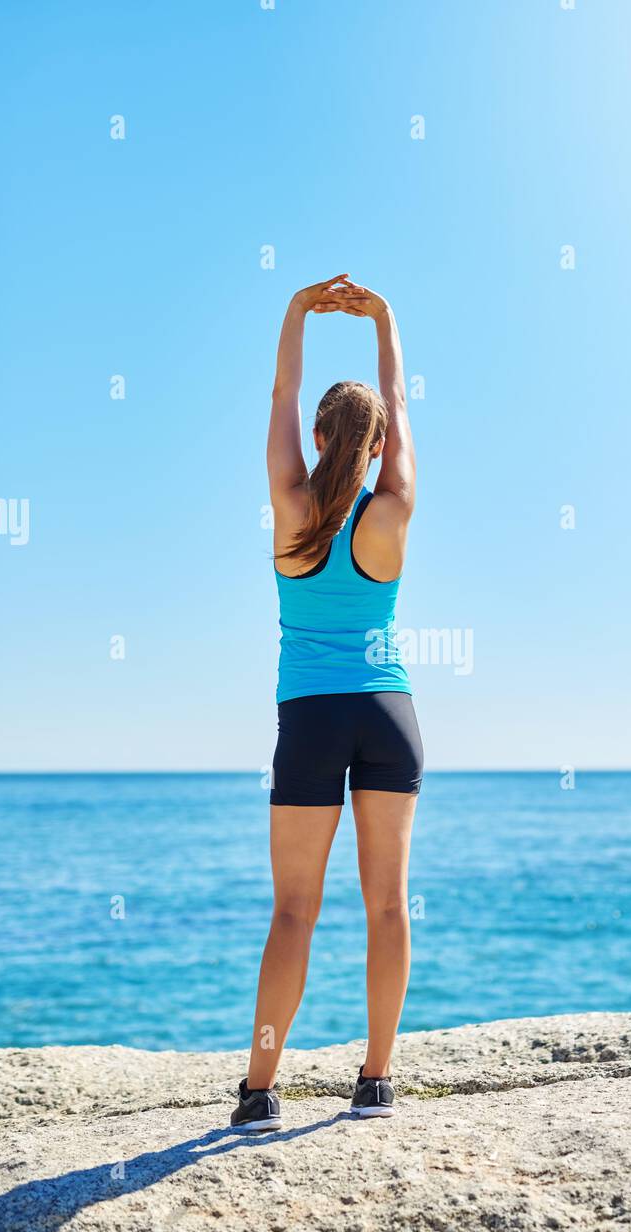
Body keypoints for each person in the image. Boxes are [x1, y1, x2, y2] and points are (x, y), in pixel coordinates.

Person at [231, 275, 422, 1130]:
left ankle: (259, 1092)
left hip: (309, 718)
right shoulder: (394, 509)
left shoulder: (290, 505)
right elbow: (400, 398)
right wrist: (383, 322)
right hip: (387, 713)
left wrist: (296, 312)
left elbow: (279, 391)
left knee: (293, 911)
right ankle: (375, 1081)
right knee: (386, 905)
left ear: (315, 435)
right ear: (378, 447)